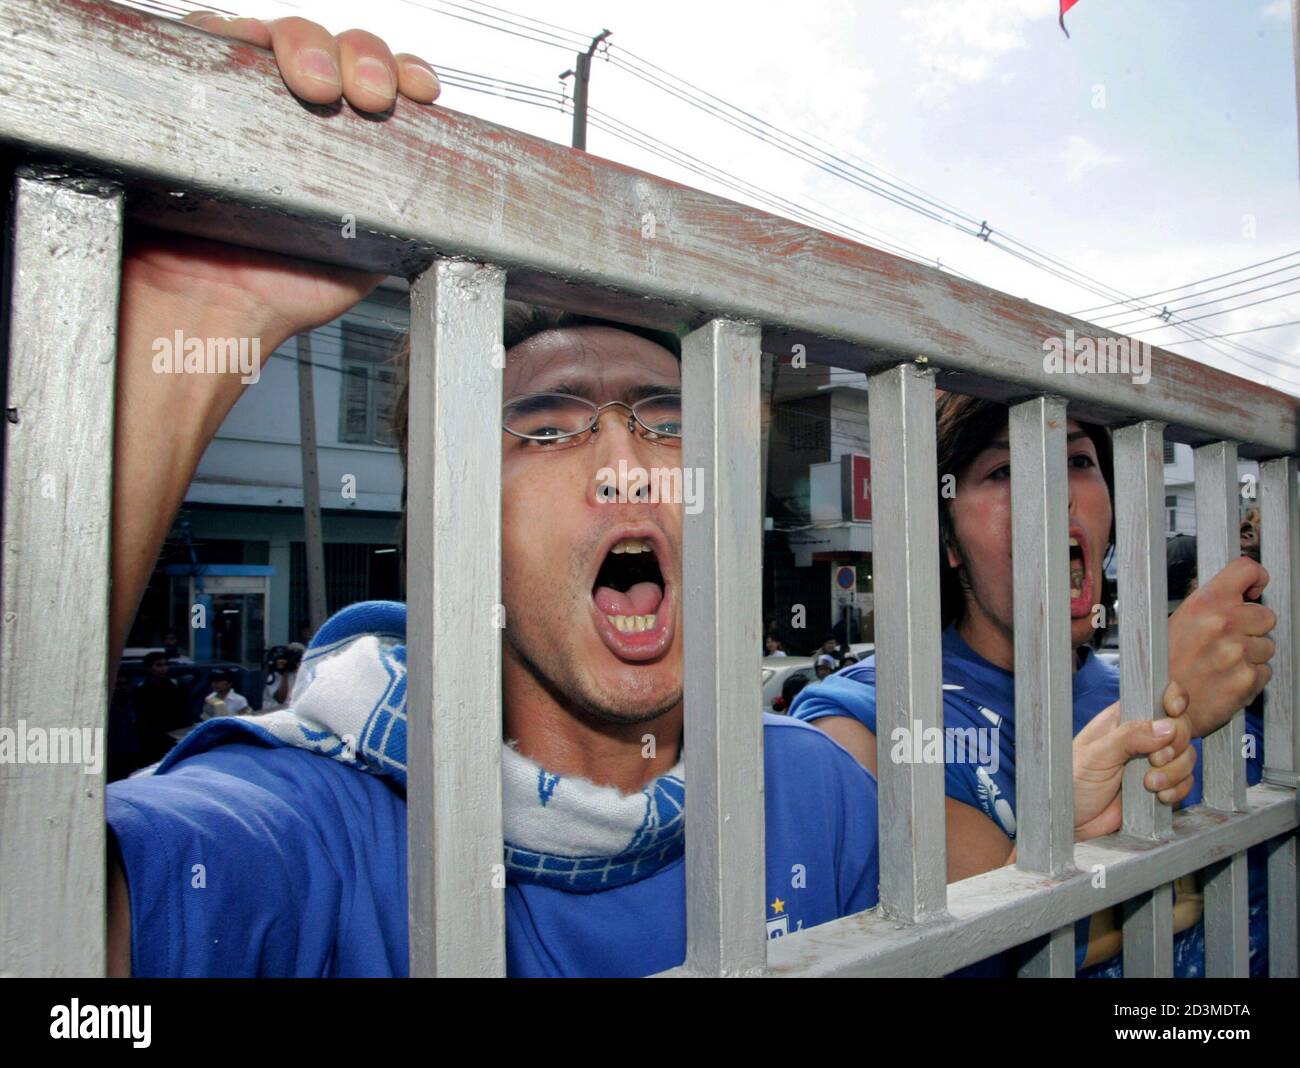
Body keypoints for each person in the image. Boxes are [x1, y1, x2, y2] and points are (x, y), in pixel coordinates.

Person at [101, 13, 881, 977]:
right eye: (547, 428)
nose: (624, 464)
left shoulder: (812, 788)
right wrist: (183, 319)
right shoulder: (319, 825)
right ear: (452, 518)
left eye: (668, 423)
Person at [792, 392, 1273, 975]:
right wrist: (1161, 691)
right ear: (947, 540)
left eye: (1077, 462)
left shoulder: (1222, 695)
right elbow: (1001, 937)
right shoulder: (862, 722)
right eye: (1004, 471)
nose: (1053, 491)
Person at [130, 653, 190, 767]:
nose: (163, 668)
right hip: (150, 738)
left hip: (173, 736)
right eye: (159, 665)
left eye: (166, 664)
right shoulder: (141, 688)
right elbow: (139, 713)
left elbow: (185, 711)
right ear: (149, 668)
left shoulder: (176, 685)